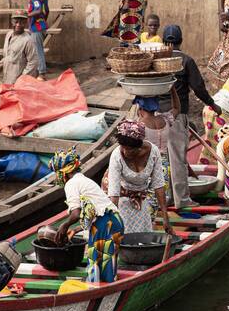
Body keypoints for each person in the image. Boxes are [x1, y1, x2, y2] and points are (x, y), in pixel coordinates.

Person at [42, 151, 125, 284]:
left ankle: (95, 292)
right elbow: (95, 212)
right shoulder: (86, 181)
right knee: (109, 264)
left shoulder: (71, 184)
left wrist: (65, 225)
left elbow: (76, 214)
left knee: (95, 264)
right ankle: (108, 288)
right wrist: (75, 230)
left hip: (103, 225)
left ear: (63, 172)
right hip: (116, 221)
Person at [160, 24, 219, 207]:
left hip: (154, 117)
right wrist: (212, 104)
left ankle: (167, 198)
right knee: (177, 159)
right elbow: (198, 88)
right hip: (176, 115)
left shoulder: (156, 60)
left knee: (162, 159)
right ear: (181, 41)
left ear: (163, 41)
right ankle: (182, 200)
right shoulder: (185, 61)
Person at [105, 118, 169, 234]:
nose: (124, 152)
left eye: (129, 149)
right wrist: (111, 221)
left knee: (143, 236)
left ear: (138, 147)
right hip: (121, 201)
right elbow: (114, 194)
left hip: (141, 200)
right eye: (122, 147)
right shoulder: (116, 156)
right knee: (122, 235)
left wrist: (165, 215)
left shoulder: (153, 152)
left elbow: (158, 185)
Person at [1, 11, 39, 85]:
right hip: (7, 79)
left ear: (26, 23)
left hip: (19, 82)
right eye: (16, 21)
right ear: (12, 22)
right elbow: (9, 56)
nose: (18, 24)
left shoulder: (28, 40)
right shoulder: (9, 35)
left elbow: (33, 62)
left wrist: (21, 79)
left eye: (22, 22)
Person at [26, 0, 50, 78]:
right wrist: (44, 20)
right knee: (36, 49)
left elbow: (38, 10)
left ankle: (42, 73)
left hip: (36, 27)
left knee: (38, 50)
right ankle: (37, 71)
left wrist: (28, 15)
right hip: (42, 26)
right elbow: (47, 10)